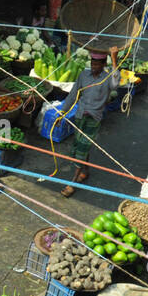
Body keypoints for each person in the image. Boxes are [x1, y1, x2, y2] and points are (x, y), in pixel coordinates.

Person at [56, 47, 119, 197]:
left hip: (93, 118)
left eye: (98, 64)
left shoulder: (107, 77)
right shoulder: (84, 75)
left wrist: (114, 58)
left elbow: (116, 84)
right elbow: (73, 95)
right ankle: (85, 170)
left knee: (82, 148)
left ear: (104, 64)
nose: (94, 66)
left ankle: (73, 182)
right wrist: (62, 112)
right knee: (80, 145)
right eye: (92, 63)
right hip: (79, 116)